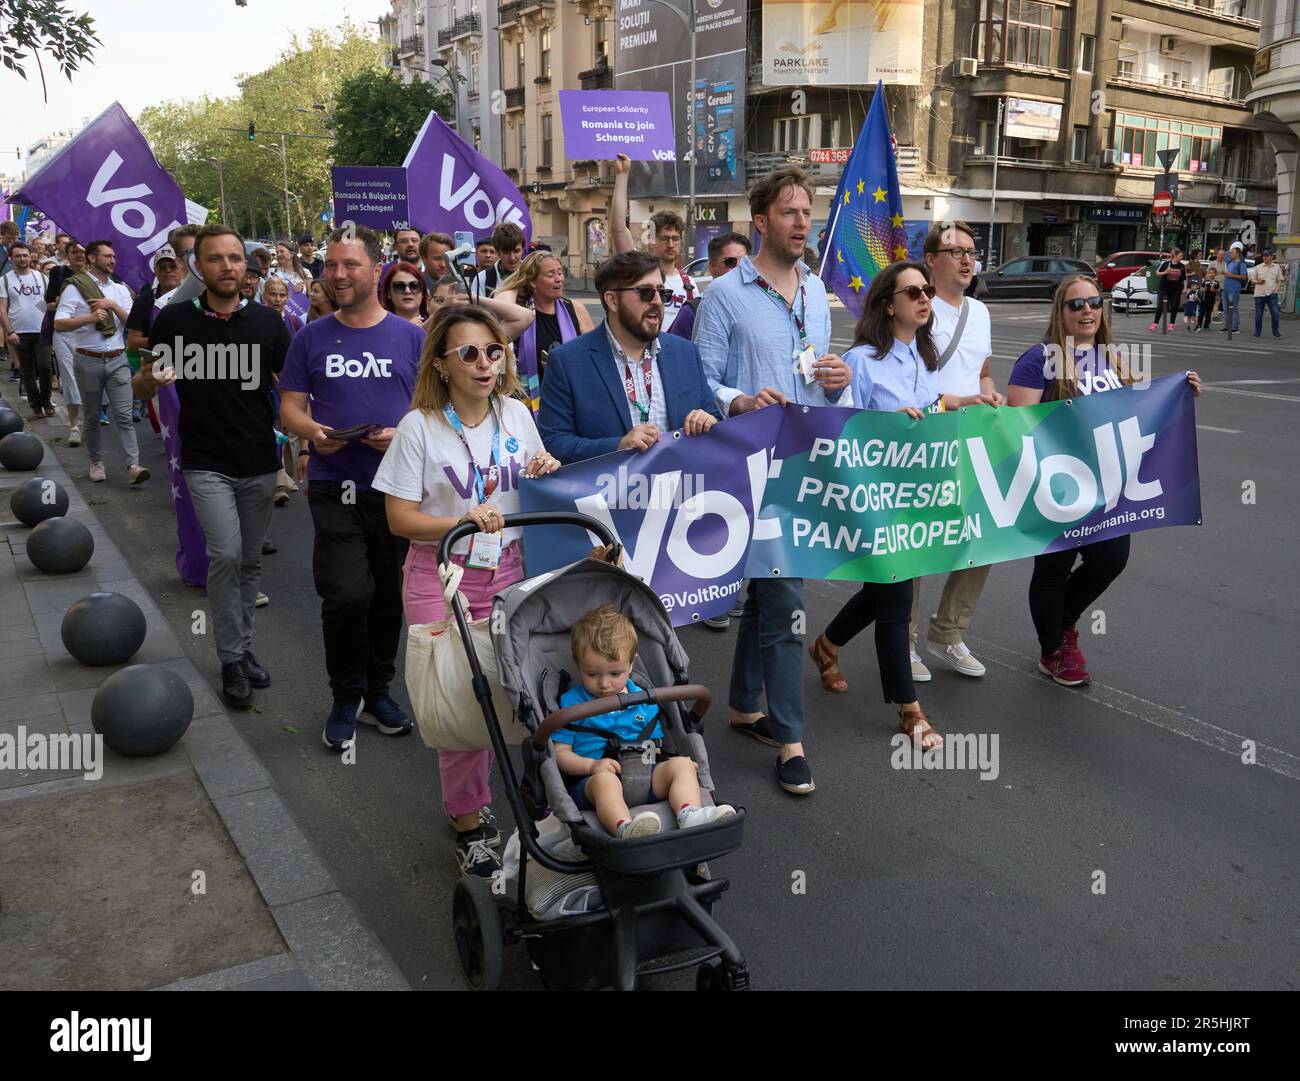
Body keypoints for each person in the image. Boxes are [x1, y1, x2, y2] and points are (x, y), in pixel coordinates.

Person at [372, 304, 560, 877]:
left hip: (511, 570)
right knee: (463, 701)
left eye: (495, 350)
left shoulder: (516, 414)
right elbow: (400, 519)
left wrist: (545, 472)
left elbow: (530, 485)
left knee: (526, 687)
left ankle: (543, 786)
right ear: (443, 365)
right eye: (470, 354)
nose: (485, 363)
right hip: (442, 576)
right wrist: (461, 524)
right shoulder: (419, 427)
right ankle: (470, 820)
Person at [694, 166, 851, 797]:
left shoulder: (816, 293)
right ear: (761, 221)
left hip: (800, 462)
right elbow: (700, 379)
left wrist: (836, 379)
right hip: (743, 467)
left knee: (768, 593)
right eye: (789, 213)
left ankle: (742, 706)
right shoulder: (723, 294)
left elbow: (815, 373)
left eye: (807, 212)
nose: (801, 223)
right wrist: (735, 402)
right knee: (785, 601)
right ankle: (791, 739)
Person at [1007, 275, 1201, 685]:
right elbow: (1014, 427)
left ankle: (1064, 625)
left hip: (1109, 489)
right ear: (1060, 312)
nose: (1087, 311)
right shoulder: (1039, 359)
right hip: (1057, 485)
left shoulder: (1109, 356)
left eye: (1094, 302)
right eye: (1076, 305)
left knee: (1111, 560)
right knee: (1054, 566)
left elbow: (1137, 406)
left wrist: (1180, 392)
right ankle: (1052, 650)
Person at [278, 225, 423, 751]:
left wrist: (404, 435)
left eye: (350, 265)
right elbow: (290, 406)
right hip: (334, 483)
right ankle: (346, 695)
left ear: (375, 268)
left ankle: (378, 691)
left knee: (388, 594)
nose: (338, 275)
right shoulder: (310, 338)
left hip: (398, 490)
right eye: (331, 266)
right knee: (345, 593)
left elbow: (435, 410)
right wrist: (312, 431)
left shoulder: (413, 337)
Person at [133, 224, 291, 707]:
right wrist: (153, 379)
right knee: (225, 554)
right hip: (204, 462)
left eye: (235, 258)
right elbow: (141, 387)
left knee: (247, 562)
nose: (227, 266)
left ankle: (244, 649)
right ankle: (230, 660)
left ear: (247, 267)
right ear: (198, 267)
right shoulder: (176, 320)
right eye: (216, 258)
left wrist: (306, 443)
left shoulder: (268, 322)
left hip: (259, 460)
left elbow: (290, 389)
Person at [808, 263, 947, 751]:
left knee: (882, 589)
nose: (924, 298)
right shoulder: (862, 360)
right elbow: (839, 426)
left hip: (917, 495)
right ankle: (909, 710)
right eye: (913, 292)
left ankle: (825, 646)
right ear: (889, 304)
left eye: (927, 290)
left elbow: (935, 415)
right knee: (896, 596)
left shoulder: (926, 357)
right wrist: (888, 422)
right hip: (874, 495)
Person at [907, 220, 1004, 683]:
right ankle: (904, 641)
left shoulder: (980, 313)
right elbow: (904, 379)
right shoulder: (917, 308)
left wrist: (991, 392)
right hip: (926, 439)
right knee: (919, 545)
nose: (968, 259)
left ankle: (947, 633)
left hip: (973, 437)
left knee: (981, 536)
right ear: (931, 259)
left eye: (971, 251)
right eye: (956, 251)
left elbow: (981, 372)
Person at [552, 605, 736, 839]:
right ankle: (625, 827)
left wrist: (669, 764)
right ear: (578, 666)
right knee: (605, 782)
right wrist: (591, 766)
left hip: (644, 775)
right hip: (592, 782)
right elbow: (560, 754)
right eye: (593, 674)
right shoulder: (572, 703)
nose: (604, 684)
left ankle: (690, 814)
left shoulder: (644, 699)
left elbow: (655, 745)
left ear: (631, 665)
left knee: (682, 765)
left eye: (615, 674)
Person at [539, 250, 719, 464]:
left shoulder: (685, 353)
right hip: (610, 492)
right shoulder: (567, 362)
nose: (657, 302)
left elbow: (712, 415)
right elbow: (555, 443)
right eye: (645, 293)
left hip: (682, 490)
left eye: (662, 293)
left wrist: (709, 420)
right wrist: (618, 446)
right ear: (612, 301)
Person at [53, 240, 148, 485]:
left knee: (124, 416)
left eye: (113, 256)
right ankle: (96, 462)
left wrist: (112, 305)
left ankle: (133, 465)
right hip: (88, 359)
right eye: (107, 256)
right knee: (93, 417)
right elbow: (59, 323)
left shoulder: (119, 290)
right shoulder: (75, 287)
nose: (112, 260)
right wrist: (90, 317)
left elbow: (132, 324)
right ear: (92, 258)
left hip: (117, 358)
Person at [495, 250, 594, 410]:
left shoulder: (575, 309)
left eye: (560, 273)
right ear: (533, 281)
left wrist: (561, 366)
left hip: (569, 399)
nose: (559, 279)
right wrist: (518, 285)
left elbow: (594, 357)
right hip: (526, 403)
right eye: (550, 274)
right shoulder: (520, 313)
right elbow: (501, 302)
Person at [610, 154, 696, 329]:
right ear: (651, 240)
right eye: (664, 238)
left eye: (675, 239)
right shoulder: (638, 269)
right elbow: (618, 227)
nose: (671, 244)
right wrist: (622, 176)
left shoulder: (690, 285)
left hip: (674, 354)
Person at [0, 241, 54, 418]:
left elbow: (49, 303)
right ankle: (35, 405)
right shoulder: (5, 280)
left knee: (45, 366)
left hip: (43, 330)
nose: (22, 259)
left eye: (25, 255)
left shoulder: (42, 278)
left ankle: (46, 400)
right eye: (18, 256)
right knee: (27, 370)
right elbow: (2, 310)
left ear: (30, 256)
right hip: (19, 332)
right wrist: (9, 332)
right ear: (11, 258)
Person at [667, 231, 751, 340]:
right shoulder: (692, 312)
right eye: (730, 262)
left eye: (745, 262)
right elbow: (676, 353)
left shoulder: (759, 306)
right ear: (712, 267)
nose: (739, 268)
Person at [45, 242, 86, 442]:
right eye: (74, 252)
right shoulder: (58, 273)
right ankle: (74, 427)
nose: (79, 255)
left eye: (82, 252)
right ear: (67, 254)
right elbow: (49, 304)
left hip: (90, 334)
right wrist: (63, 300)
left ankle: (93, 418)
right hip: (64, 333)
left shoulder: (99, 277)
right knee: (69, 377)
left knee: (89, 378)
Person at [472, 222, 526, 298]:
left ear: (523, 249)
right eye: (506, 252)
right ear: (497, 252)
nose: (512, 257)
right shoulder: (482, 278)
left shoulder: (533, 275)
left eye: (516, 251)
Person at [379, 260, 428, 325]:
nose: (407, 291)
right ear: (389, 293)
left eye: (414, 286)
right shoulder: (380, 326)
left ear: (423, 293)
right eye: (399, 286)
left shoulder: (435, 325)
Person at [1151, 246, 1185, 334]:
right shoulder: (1166, 264)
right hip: (1164, 288)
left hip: (1176, 289)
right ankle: (1155, 323)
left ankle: (1171, 324)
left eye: (1182, 256)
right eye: (1180, 256)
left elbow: (1184, 278)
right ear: (1175, 255)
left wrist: (1184, 288)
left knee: (1174, 306)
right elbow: (1157, 273)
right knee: (1161, 306)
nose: (1182, 258)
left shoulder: (1182, 266)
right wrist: (1166, 272)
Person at [1250, 250, 1283, 339]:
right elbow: (1252, 280)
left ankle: (1276, 333)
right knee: (1258, 314)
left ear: (1271, 256)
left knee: (1275, 313)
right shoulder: (1258, 267)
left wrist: (1277, 289)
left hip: (1272, 293)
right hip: (1259, 293)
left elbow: (1279, 279)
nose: (1264, 257)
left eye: (1267, 256)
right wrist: (1258, 281)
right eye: (1263, 256)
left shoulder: (1276, 267)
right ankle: (1257, 333)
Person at [1219, 242, 1249, 335]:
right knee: (1225, 308)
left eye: (1232, 252)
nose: (1230, 254)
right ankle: (1226, 326)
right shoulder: (1229, 263)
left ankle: (1235, 327)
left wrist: (1231, 275)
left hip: (1234, 289)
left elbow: (1244, 277)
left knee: (1233, 308)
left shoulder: (1241, 264)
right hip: (1226, 288)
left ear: (1237, 254)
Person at [1196, 265, 1220, 331]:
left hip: (1211, 300)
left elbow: (1218, 290)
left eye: (1213, 273)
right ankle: (1199, 324)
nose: (1211, 274)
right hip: (1204, 299)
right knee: (1202, 312)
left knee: (1208, 313)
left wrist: (1214, 290)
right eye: (1210, 273)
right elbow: (1201, 289)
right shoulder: (1205, 282)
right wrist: (1205, 289)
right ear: (1208, 274)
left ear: (1215, 274)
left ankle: (1206, 325)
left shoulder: (1216, 282)